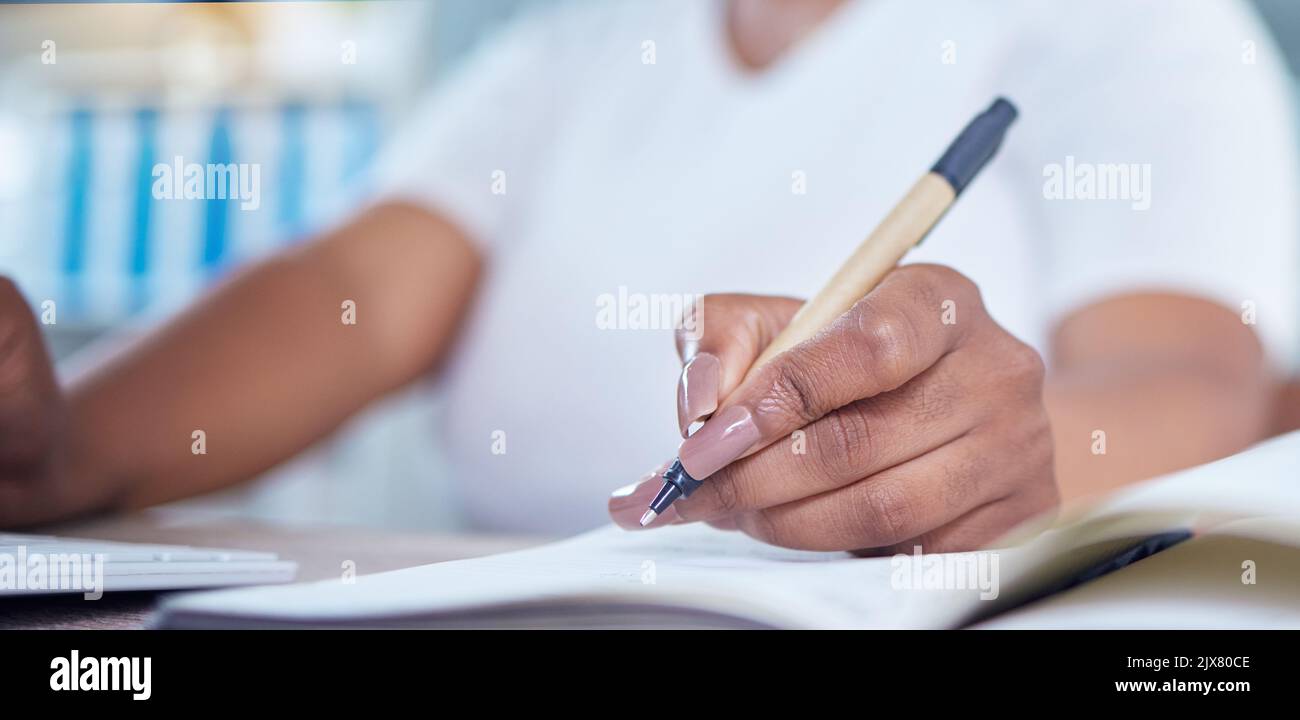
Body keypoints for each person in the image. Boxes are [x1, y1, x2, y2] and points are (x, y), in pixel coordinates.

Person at [0, 0, 1296, 552]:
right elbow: (351, 289)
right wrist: (49, 441)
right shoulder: (567, 52)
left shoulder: (1137, 29)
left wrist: (1011, 457)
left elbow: (1189, 386)